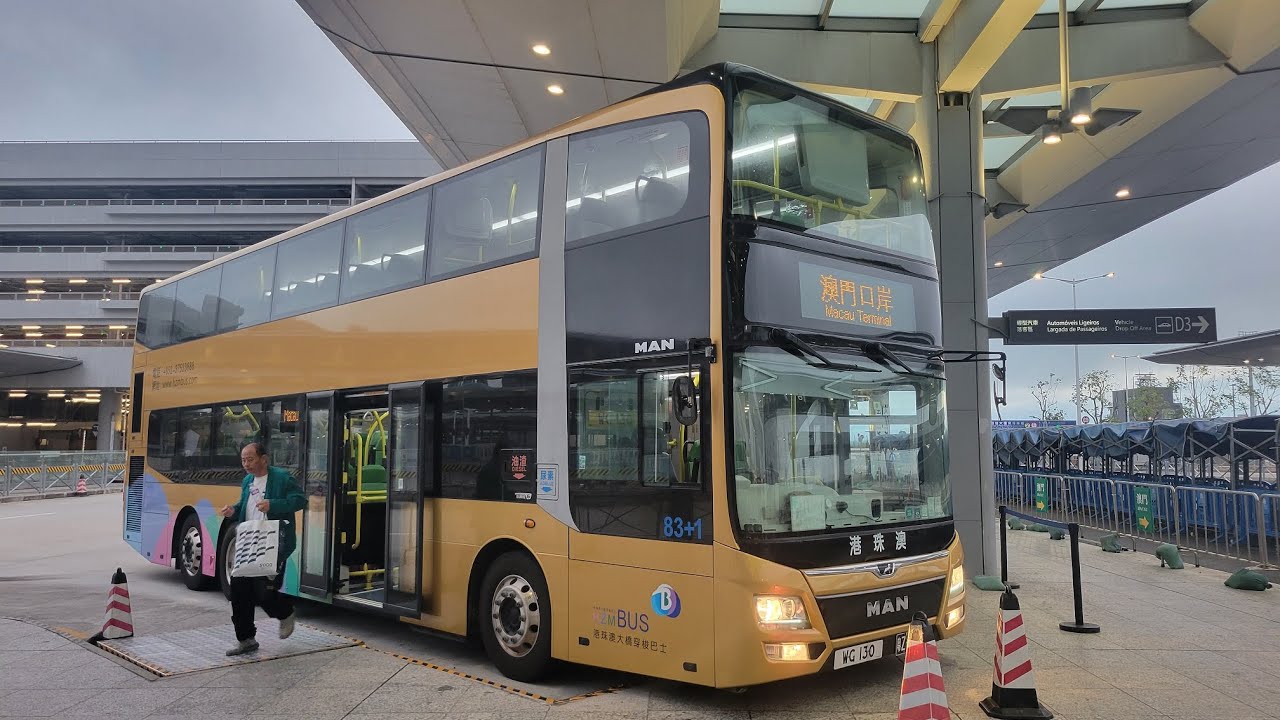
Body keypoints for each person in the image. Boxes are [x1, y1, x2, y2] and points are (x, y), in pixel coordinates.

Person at [218, 441, 306, 656]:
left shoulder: (282, 478)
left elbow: (300, 500)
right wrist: (233, 511)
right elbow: (244, 506)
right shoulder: (248, 481)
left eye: (250, 459)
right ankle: (246, 639)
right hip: (249, 542)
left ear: (264, 459)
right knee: (238, 591)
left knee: (263, 593)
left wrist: (273, 504)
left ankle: (285, 613)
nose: (246, 464)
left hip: (274, 543)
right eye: (243, 460)